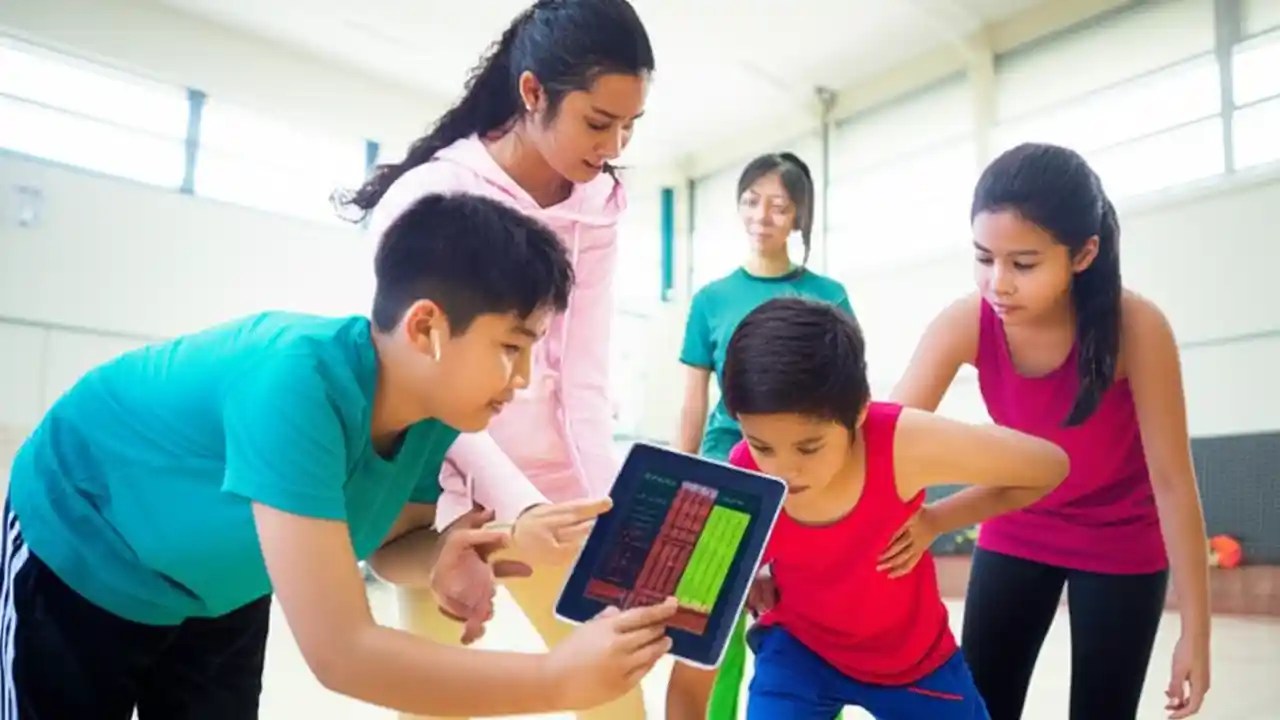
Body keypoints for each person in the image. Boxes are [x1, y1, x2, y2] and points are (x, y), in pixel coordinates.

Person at [1, 193, 678, 719]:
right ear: (426, 327)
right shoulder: (294, 380)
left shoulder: (434, 415)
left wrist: (438, 556)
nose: (524, 377)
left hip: (226, 579)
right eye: (511, 346)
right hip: (82, 549)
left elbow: (392, 544)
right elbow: (341, 652)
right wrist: (558, 680)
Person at [337, 3, 656, 717]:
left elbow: (584, 371)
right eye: (598, 122)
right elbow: (425, 387)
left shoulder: (599, 202)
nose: (613, 145)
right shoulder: (434, 196)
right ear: (533, 92)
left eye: (629, 126)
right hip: (448, 493)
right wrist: (520, 510)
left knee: (615, 696)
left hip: (555, 496)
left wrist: (603, 501)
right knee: (437, 702)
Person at [889, 143, 1212, 719]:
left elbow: (1172, 482)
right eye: (984, 258)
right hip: (1019, 523)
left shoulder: (1137, 326)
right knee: (981, 704)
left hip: (1122, 542)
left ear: (1083, 253)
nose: (998, 283)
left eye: (1024, 263)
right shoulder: (966, 320)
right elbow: (888, 441)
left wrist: (1197, 632)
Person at [719, 297, 1068, 719]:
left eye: (809, 447)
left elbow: (1049, 466)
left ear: (860, 410)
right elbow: (717, 569)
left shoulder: (902, 444)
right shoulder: (745, 468)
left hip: (911, 663)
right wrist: (751, 572)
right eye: (762, 446)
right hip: (801, 651)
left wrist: (938, 519)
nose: (784, 469)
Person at [669, 152, 854, 719]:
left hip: (807, 480)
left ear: (799, 216)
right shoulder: (711, 301)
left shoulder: (830, 295)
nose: (763, 215)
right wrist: (684, 481)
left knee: (811, 620)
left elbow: (850, 396)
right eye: (752, 201)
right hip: (729, 473)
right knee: (707, 626)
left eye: (779, 205)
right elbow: (694, 397)